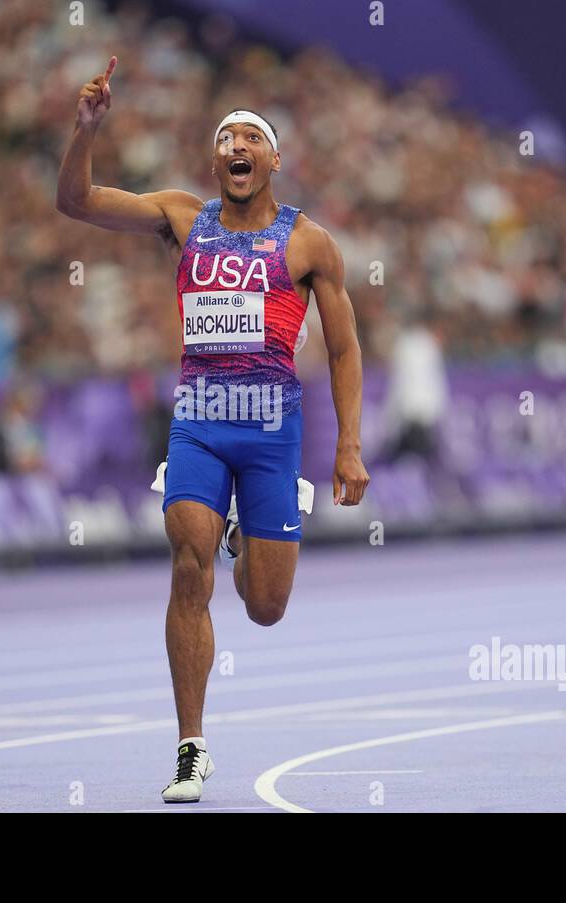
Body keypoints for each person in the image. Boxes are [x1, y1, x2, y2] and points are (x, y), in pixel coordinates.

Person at [57, 57, 370, 801]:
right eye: (225, 137)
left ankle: (247, 538)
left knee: (264, 606)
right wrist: (85, 131)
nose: (236, 146)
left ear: (272, 161)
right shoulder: (180, 215)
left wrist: (349, 443)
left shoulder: (309, 244)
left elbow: (347, 346)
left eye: (249, 139)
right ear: (215, 160)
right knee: (186, 563)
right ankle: (191, 745)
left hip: (271, 436)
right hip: (197, 425)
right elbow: (76, 201)